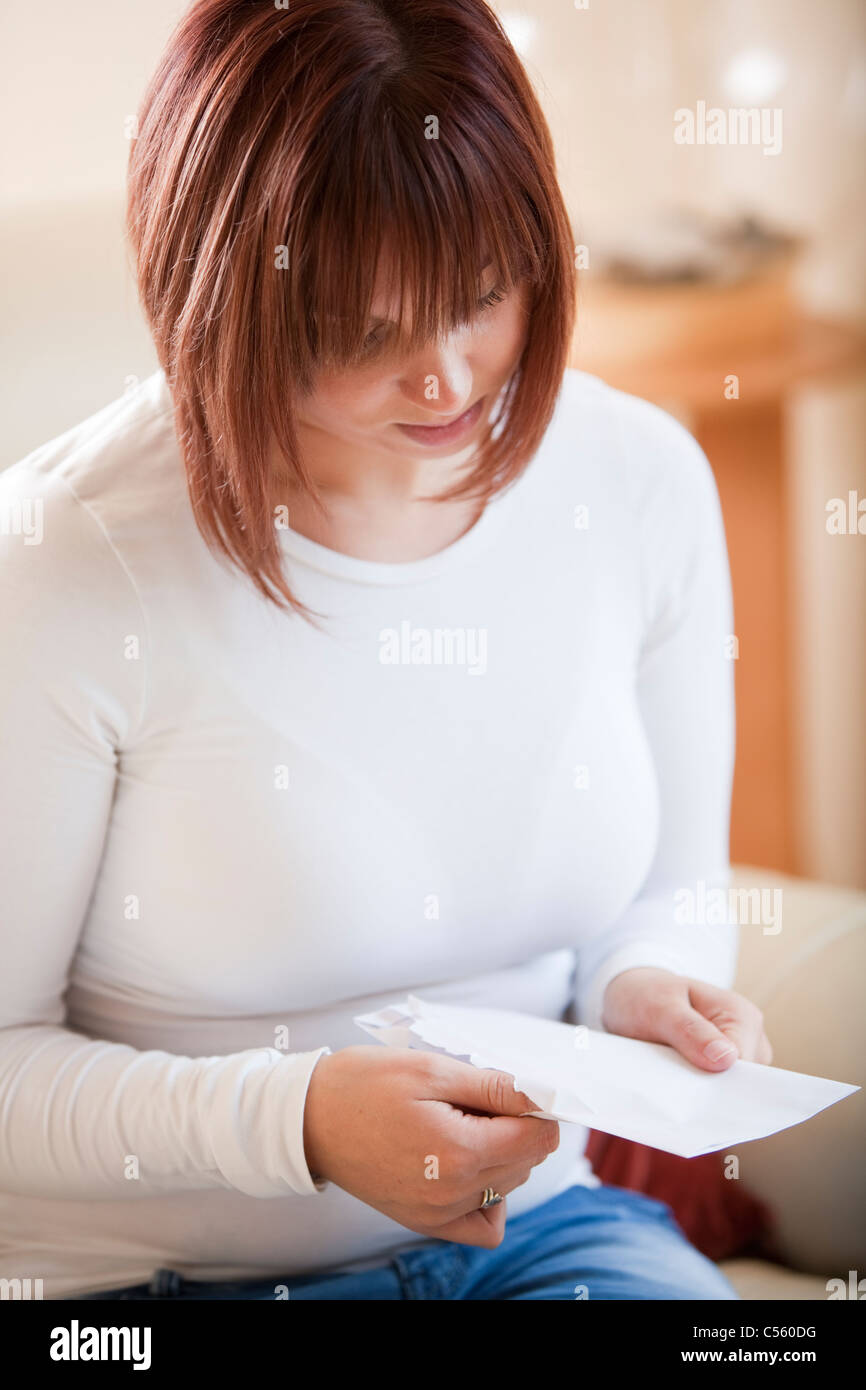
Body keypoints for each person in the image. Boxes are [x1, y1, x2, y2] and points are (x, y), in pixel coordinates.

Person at [0, 0, 770, 1301]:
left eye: (482, 294)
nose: (446, 377)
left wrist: (653, 981)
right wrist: (296, 1119)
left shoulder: (637, 481)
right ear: (221, 305)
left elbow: (677, 888)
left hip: (539, 1228)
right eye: (365, 331)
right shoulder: (61, 563)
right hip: (158, 1283)